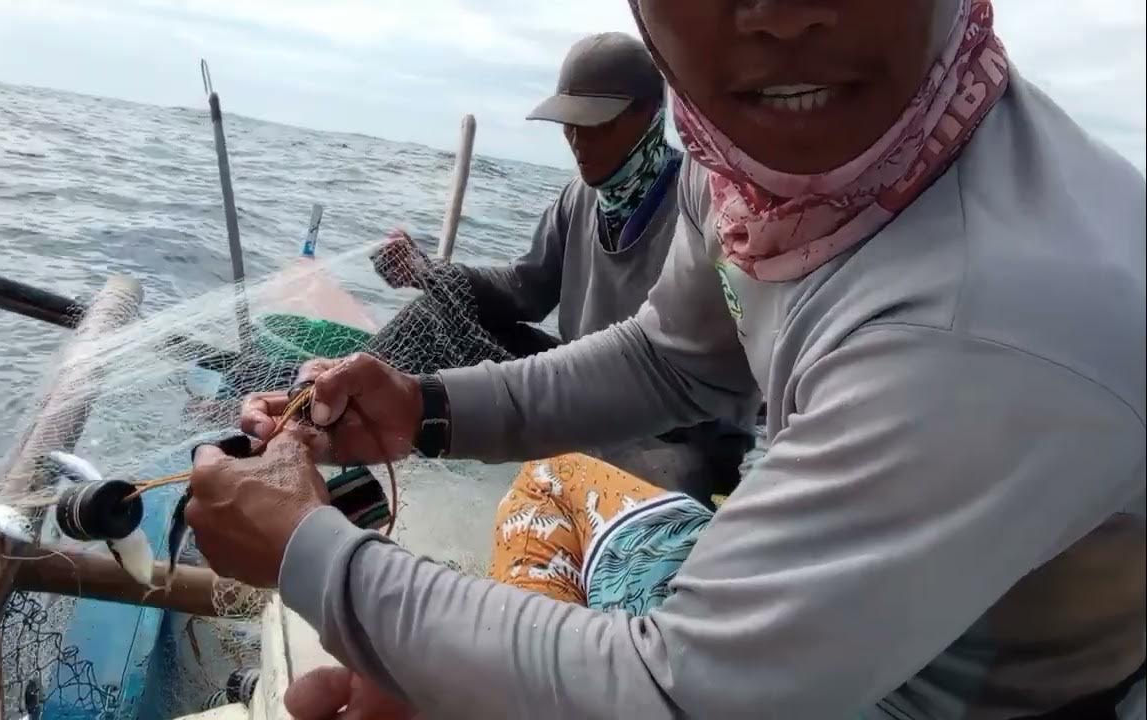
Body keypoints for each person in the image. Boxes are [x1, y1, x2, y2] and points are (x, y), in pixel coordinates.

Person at [187, 1, 1147, 718]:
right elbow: (667, 358)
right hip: (753, 655)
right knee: (552, 487)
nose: (781, 13)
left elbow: (680, 694)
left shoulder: (990, 322)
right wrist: (424, 407)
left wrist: (315, 557)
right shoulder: (771, 184)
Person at [370, 31, 759, 503]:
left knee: (661, 496)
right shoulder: (579, 196)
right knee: (436, 317)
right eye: (568, 125)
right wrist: (427, 272)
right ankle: (349, 429)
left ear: (650, 114)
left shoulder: (702, 205)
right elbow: (525, 291)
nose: (576, 141)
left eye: (593, 125)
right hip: (586, 394)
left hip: (680, 430)